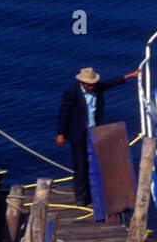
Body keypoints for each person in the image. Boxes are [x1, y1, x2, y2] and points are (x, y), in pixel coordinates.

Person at [56, 66, 141, 206]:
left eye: (93, 84)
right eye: (89, 85)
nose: (91, 87)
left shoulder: (96, 88)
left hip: (94, 131)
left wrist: (130, 75)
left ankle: (97, 192)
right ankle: (81, 198)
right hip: (78, 133)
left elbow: (109, 84)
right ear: (81, 83)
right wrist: (61, 134)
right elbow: (64, 113)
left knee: (97, 162)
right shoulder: (72, 92)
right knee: (81, 165)